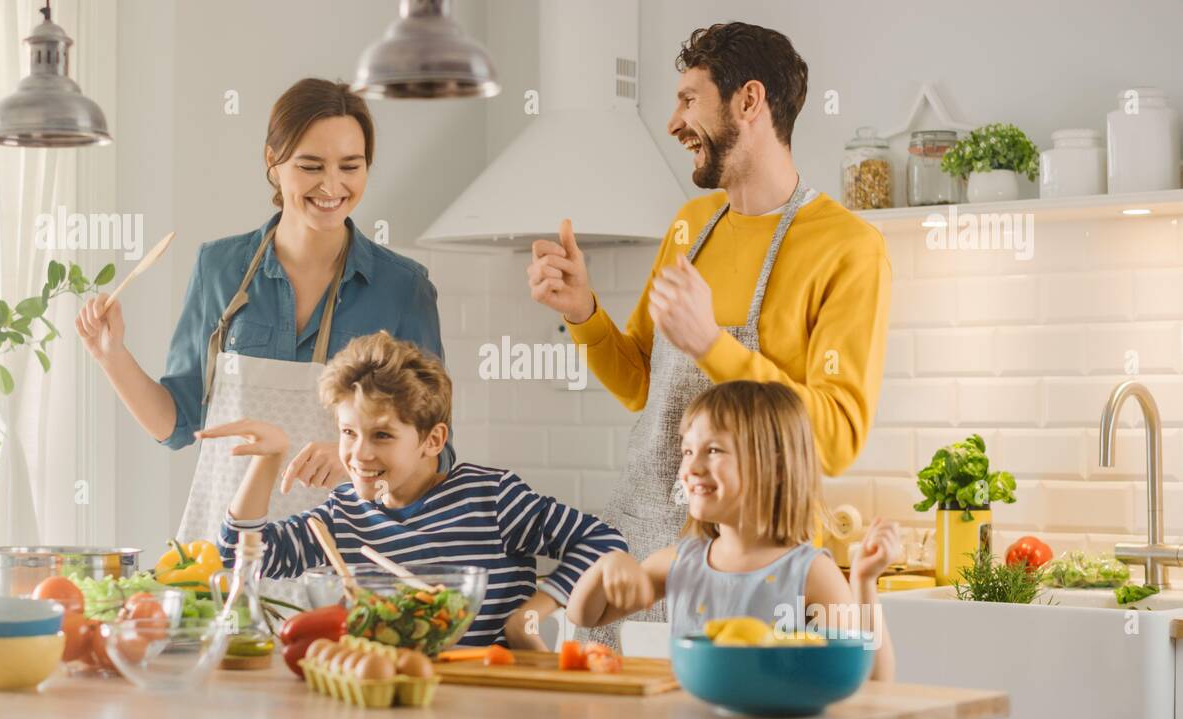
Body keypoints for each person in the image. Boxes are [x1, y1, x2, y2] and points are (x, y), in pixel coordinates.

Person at [527, 23, 892, 650]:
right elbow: (643, 384)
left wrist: (711, 344)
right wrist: (583, 311)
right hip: (647, 548)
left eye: (689, 99)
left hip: (757, 568)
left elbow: (832, 439)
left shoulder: (849, 248)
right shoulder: (690, 226)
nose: (673, 121)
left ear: (749, 102)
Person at [75, 78, 450, 544]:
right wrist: (111, 356)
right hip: (230, 547)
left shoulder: (403, 287)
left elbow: (437, 450)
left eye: (350, 166)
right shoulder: (219, 268)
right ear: (273, 163)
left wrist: (358, 457)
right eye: (311, 166)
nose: (332, 185)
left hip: (349, 555)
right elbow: (177, 425)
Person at [204, 332, 628, 649]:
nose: (358, 454)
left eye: (382, 436)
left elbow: (604, 542)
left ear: (433, 440)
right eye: (348, 432)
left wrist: (531, 613)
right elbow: (238, 558)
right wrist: (268, 460)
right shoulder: (342, 515)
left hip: (491, 700)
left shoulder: (491, 499)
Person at [567, 381, 898, 680]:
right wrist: (608, 563)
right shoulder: (677, 563)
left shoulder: (809, 572)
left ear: (778, 467)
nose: (691, 468)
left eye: (713, 450)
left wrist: (864, 583)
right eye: (687, 451)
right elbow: (585, 615)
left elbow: (872, 679)